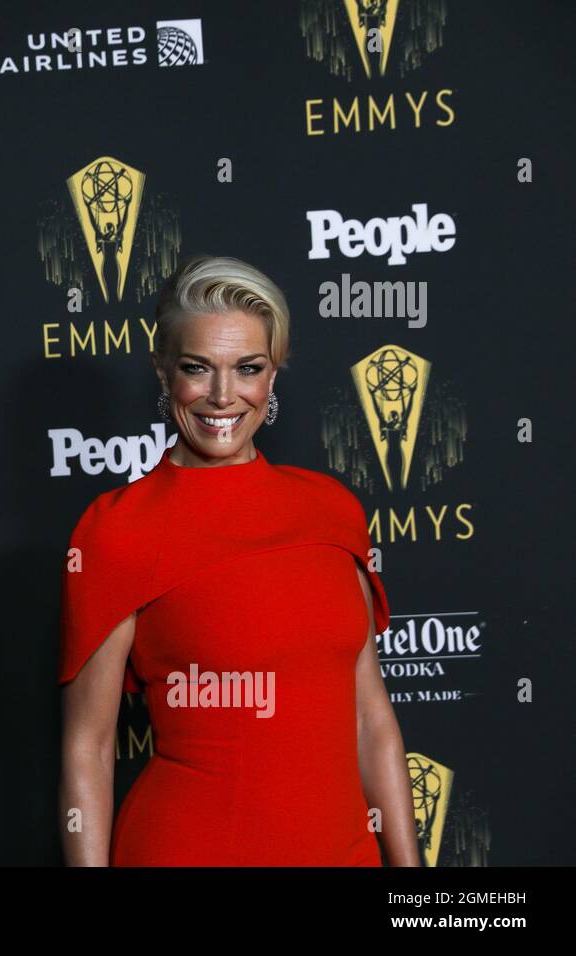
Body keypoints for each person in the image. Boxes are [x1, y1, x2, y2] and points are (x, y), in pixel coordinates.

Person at [58, 254, 420, 866]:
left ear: (272, 375)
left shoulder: (331, 510)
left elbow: (370, 719)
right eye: (197, 369)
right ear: (163, 371)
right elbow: (87, 749)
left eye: (247, 368)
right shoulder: (117, 530)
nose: (223, 397)